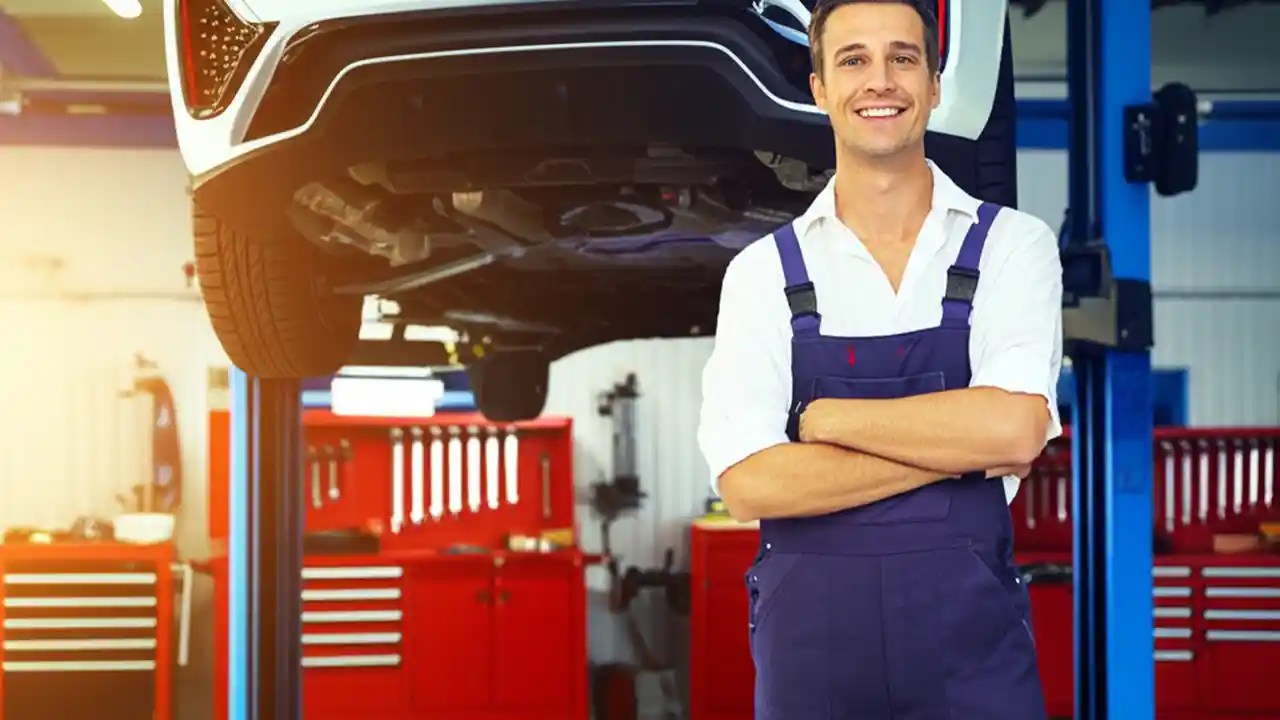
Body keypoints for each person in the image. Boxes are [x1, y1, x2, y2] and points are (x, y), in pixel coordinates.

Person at [696, 0, 1063, 717]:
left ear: (933, 85)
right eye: (853, 60)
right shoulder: (763, 272)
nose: (880, 81)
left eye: (903, 58)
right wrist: (958, 446)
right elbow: (750, 485)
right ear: (820, 90)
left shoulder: (1011, 247)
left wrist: (829, 419)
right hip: (815, 664)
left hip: (972, 660)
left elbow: (1016, 432)